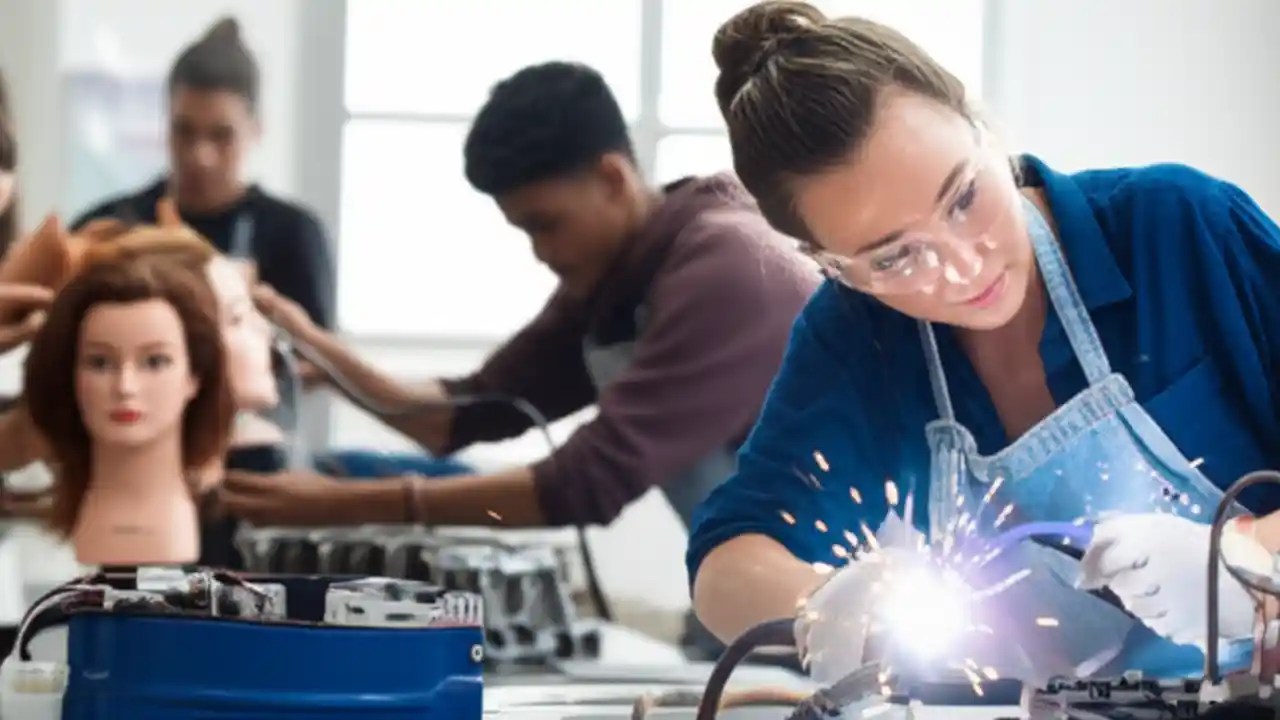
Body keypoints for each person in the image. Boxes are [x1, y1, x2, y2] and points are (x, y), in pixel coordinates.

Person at [686, 0, 1280, 682]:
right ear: (829, 265)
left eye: (963, 197)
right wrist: (825, 605)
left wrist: (1248, 560)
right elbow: (726, 560)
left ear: (980, 124)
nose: (964, 266)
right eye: (894, 258)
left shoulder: (1179, 229)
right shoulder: (860, 337)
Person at [216, 61, 820, 655]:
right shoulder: (618, 273)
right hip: (751, 603)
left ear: (612, 177)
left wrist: (338, 505)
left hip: (836, 603)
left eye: (546, 225)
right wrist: (323, 353)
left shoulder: (728, 269)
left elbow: (585, 484)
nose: (541, 253)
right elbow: (464, 413)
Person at [70, 17, 334, 333]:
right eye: (184, 131)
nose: (201, 155)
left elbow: (319, 361)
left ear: (257, 130)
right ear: (165, 124)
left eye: (221, 135)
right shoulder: (108, 226)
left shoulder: (293, 235)